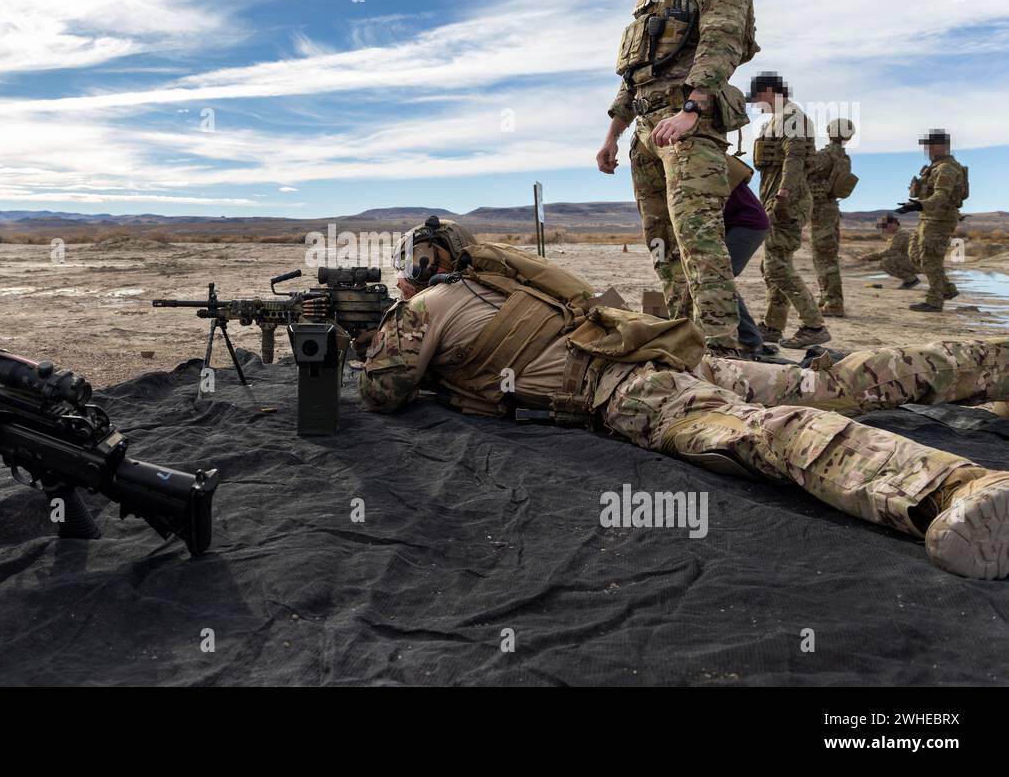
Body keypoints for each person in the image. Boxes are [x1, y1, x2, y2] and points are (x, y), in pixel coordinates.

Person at [358, 217, 1009, 580]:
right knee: (829, 383)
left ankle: (951, 490)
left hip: (626, 387)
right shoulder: (501, 282)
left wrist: (377, 328)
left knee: (758, 432)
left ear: (414, 273)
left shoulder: (429, 305)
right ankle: (992, 361)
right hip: (660, 352)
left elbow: (383, 389)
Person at [596, 0, 757, 357]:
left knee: (700, 244)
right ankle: (687, 347)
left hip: (687, 125)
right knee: (663, 247)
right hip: (646, 129)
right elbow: (634, 72)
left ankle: (724, 355)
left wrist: (693, 108)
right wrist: (613, 133)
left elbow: (720, 47)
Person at [747, 72, 831, 349]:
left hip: (787, 201)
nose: (758, 105)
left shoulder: (793, 117)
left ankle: (814, 326)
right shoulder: (776, 121)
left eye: (759, 98)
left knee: (777, 265)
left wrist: (783, 196)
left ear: (770, 91)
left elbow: (794, 159)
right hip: (774, 198)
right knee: (773, 263)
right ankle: (773, 326)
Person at [897, 129, 968, 312]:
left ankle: (935, 301)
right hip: (928, 218)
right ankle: (947, 289)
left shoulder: (946, 168)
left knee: (930, 260)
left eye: (931, 145)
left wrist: (918, 205)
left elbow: (941, 196)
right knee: (915, 256)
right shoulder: (935, 167)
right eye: (926, 146)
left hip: (940, 220)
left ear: (943, 146)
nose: (927, 149)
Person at [807, 117, 857, 317]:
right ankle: (827, 297)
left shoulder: (825, 155)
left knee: (824, 256)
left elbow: (805, 171)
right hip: (831, 208)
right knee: (827, 255)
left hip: (821, 209)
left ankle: (833, 303)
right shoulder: (844, 158)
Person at [722, 172, 770, 355]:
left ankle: (750, 340)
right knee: (711, 278)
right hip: (733, 223)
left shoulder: (699, 157)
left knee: (718, 279)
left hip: (747, 224)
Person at [859, 214, 920, 288]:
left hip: (918, 263)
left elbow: (891, 252)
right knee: (887, 260)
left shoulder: (902, 234)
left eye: (886, 226)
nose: (884, 229)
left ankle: (911, 280)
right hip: (914, 261)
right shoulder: (897, 234)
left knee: (886, 262)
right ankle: (910, 279)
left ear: (893, 224)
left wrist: (870, 256)